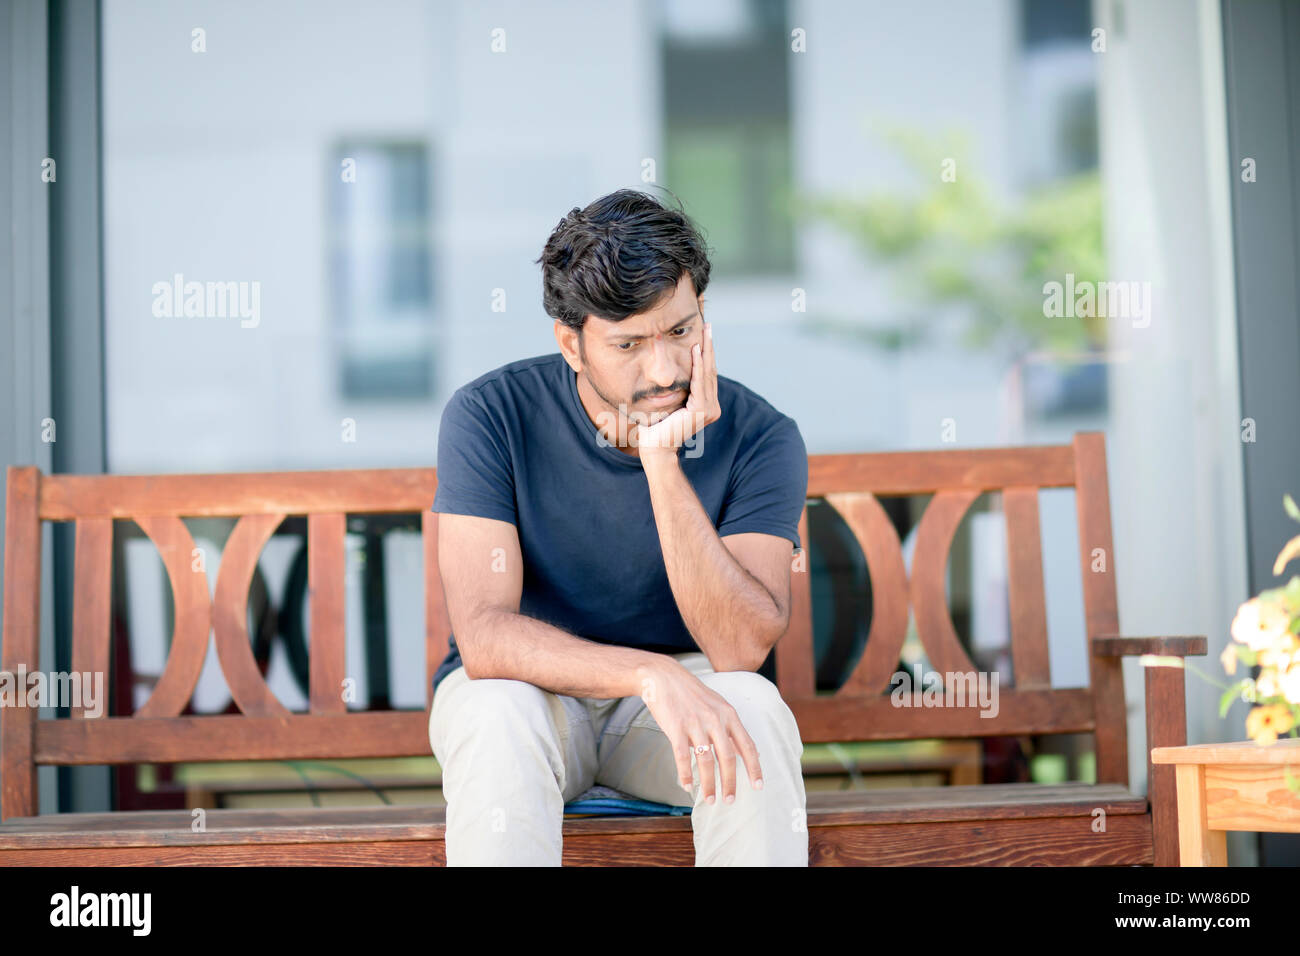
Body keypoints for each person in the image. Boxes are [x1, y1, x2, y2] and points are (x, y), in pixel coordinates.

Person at [428, 188, 809, 866]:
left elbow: (740, 647)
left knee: (750, 705)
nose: (664, 370)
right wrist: (647, 673)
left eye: (681, 331)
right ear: (570, 344)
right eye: (629, 343)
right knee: (493, 715)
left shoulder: (761, 437)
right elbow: (484, 638)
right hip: (532, 699)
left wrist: (661, 461)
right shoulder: (489, 415)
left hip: (674, 710)